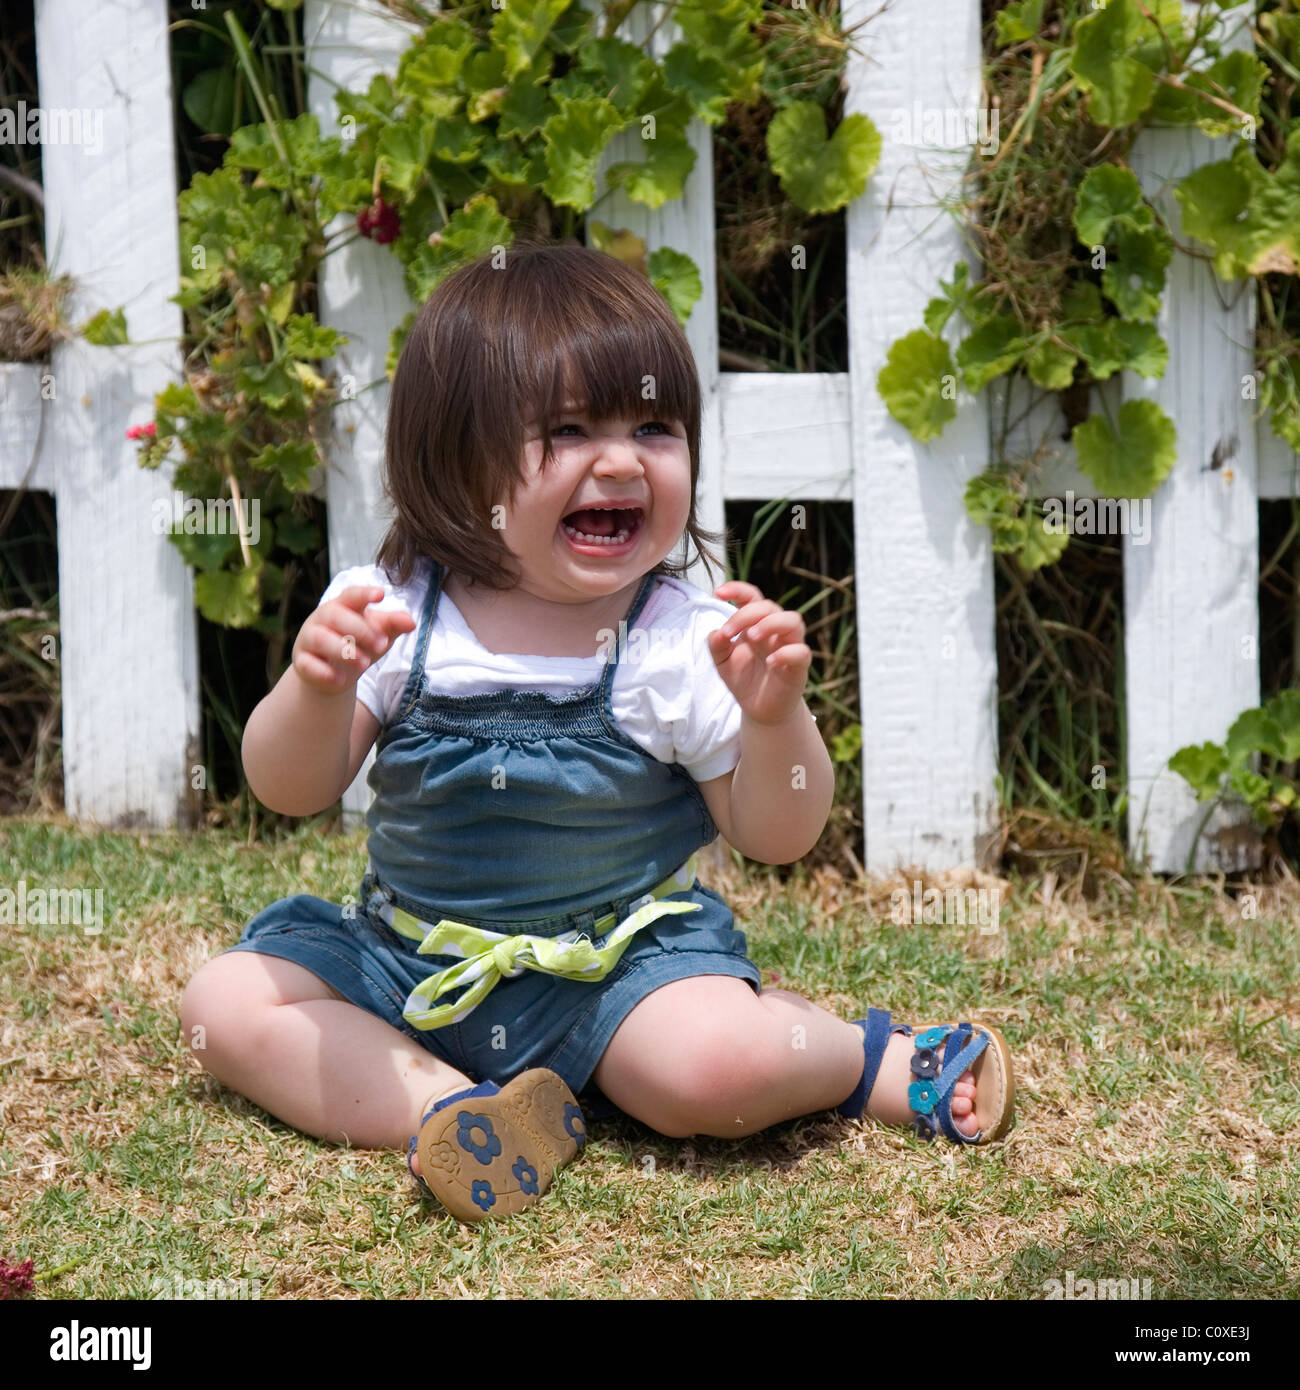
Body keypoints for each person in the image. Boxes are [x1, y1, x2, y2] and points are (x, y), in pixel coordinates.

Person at [179, 239, 1015, 1225]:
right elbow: (290, 788)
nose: (619, 460)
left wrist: (775, 719)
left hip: (619, 976)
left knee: (717, 1069)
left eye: (654, 426)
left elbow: (777, 836)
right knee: (226, 1003)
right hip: (411, 962)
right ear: (458, 459)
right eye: (568, 429)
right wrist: (316, 688)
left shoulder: (677, 640)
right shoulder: (396, 612)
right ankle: (461, 1113)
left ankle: (870, 1057)